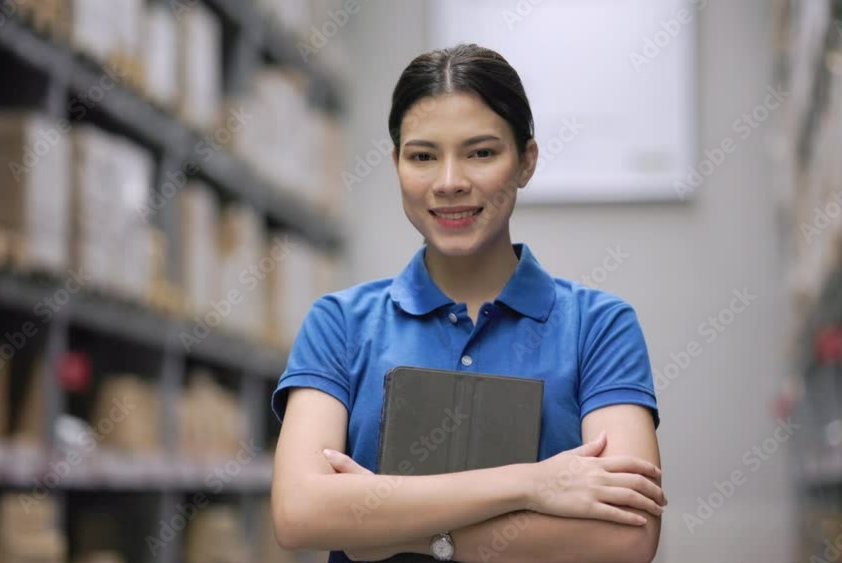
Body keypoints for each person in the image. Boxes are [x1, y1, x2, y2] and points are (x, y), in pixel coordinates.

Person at [270, 43, 666, 563]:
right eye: (422, 156)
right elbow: (299, 512)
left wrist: (387, 530)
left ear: (526, 161)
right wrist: (533, 484)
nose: (450, 182)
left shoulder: (599, 326)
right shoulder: (339, 324)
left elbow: (627, 537)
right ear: (396, 164)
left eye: (481, 153)